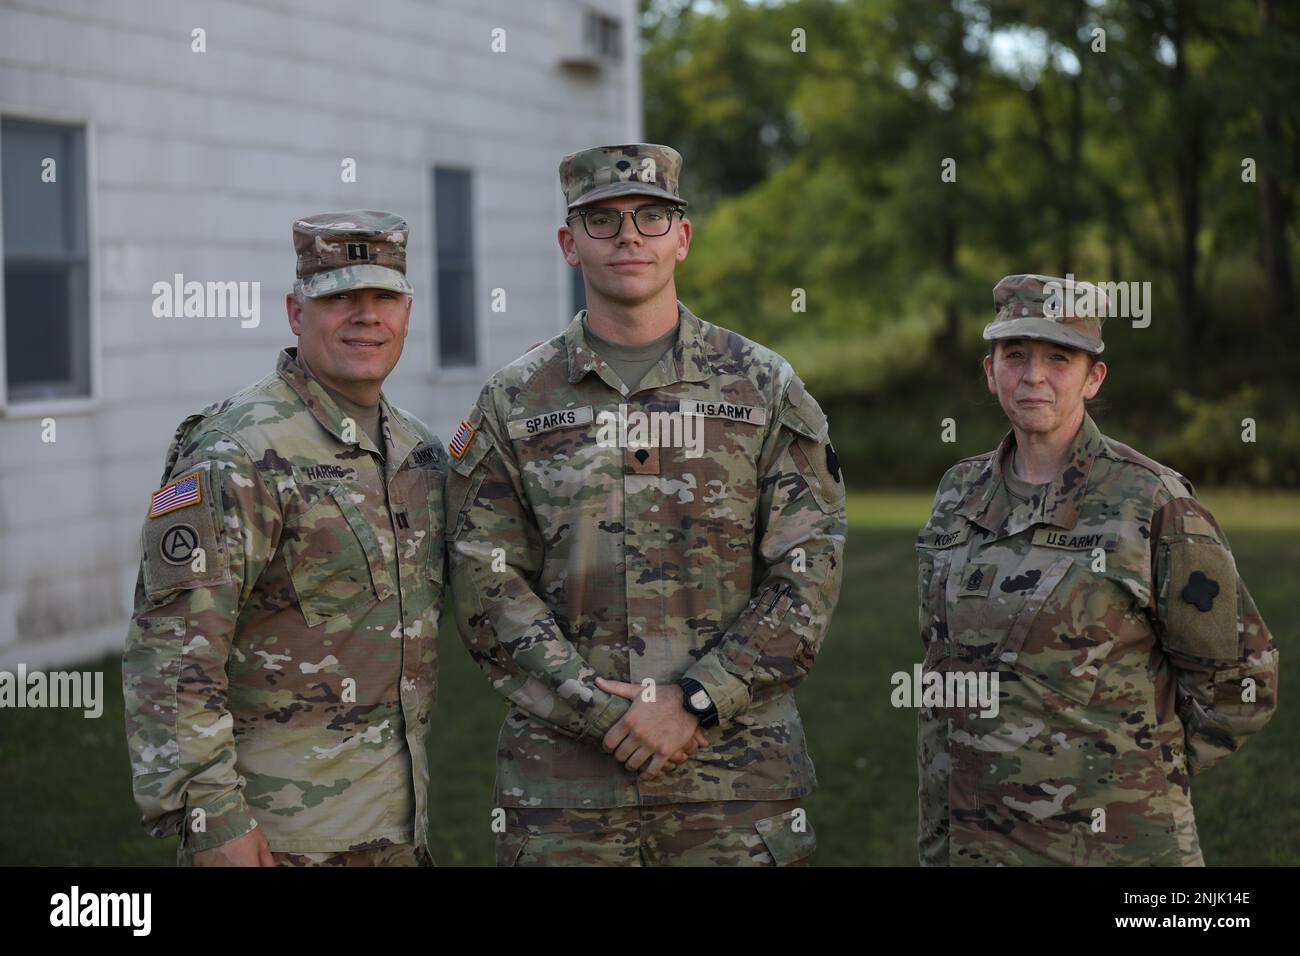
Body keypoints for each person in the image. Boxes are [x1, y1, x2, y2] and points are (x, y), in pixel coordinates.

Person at [446, 143, 847, 866]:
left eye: (652, 216)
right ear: (569, 244)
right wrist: (598, 709)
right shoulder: (516, 399)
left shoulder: (760, 385)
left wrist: (697, 698)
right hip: (566, 793)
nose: (629, 235)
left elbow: (808, 568)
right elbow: (486, 576)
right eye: (602, 219)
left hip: (734, 786)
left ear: (682, 238)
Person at [915, 273, 1279, 866]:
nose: (1033, 375)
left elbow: (1242, 686)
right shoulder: (958, 492)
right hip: (969, 843)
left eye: (1058, 357)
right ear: (990, 372)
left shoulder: (1152, 501)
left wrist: (1129, 773)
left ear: (1093, 378)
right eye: (1015, 355)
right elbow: (939, 653)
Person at [122, 211, 446, 867]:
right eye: (338, 297)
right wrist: (213, 824)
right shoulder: (235, 449)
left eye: (384, 296)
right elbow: (174, 654)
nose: (366, 316)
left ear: (408, 311)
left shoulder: (420, 454)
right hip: (278, 839)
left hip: (396, 831)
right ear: (296, 312)